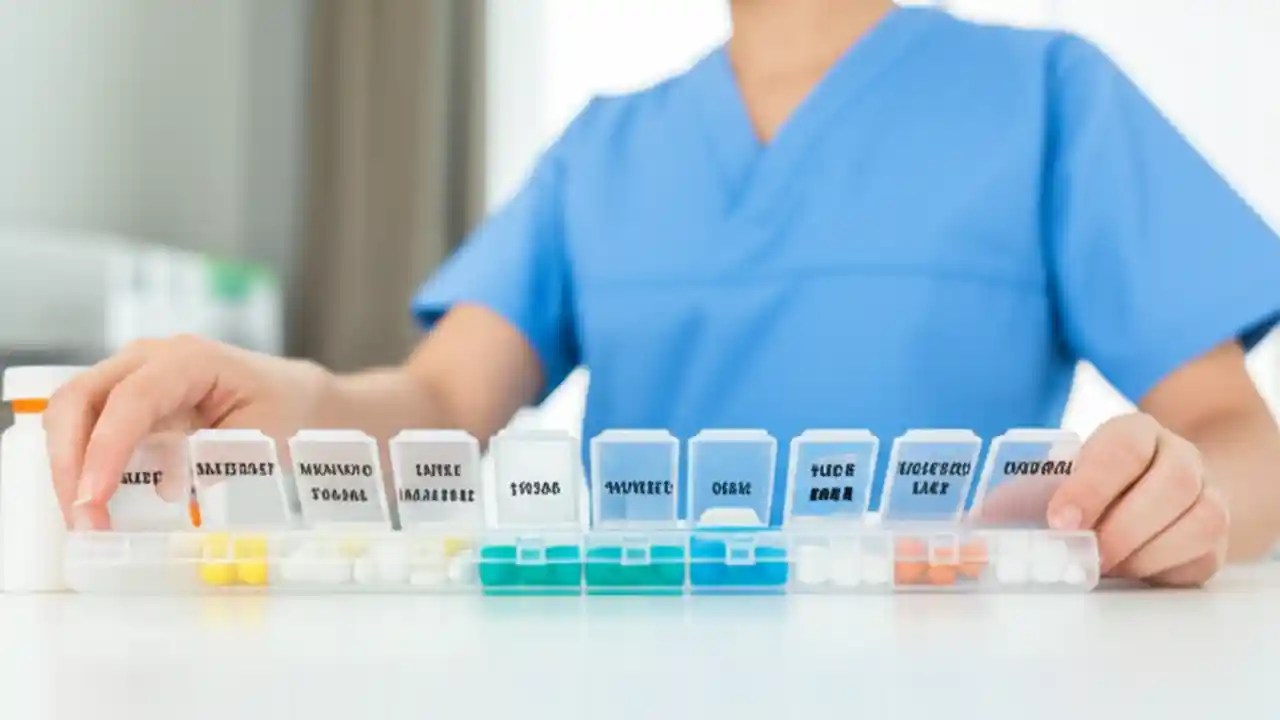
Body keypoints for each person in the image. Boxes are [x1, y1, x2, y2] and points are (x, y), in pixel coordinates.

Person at [43, 0, 1280, 587]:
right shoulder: (608, 146)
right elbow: (436, 401)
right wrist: (294, 393)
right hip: (653, 653)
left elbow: (1237, 439)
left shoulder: (1050, 97)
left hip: (946, 669)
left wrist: (1174, 502)